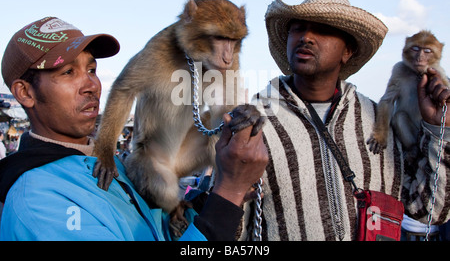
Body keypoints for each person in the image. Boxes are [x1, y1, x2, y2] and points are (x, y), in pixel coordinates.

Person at [0, 16, 268, 241]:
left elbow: (156, 229)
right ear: (24, 93)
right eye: (68, 73)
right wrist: (227, 196)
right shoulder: (39, 202)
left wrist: (207, 202)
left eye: (91, 69)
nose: (92, 85)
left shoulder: (110, 167)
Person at [239, 0, 450, 241]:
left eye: (323, 29)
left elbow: (427, 212)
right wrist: (230, 193)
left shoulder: (378, 120)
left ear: (347, 51)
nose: (306, 36)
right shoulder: (253, 120)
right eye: (298, 28)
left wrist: (440, 129)